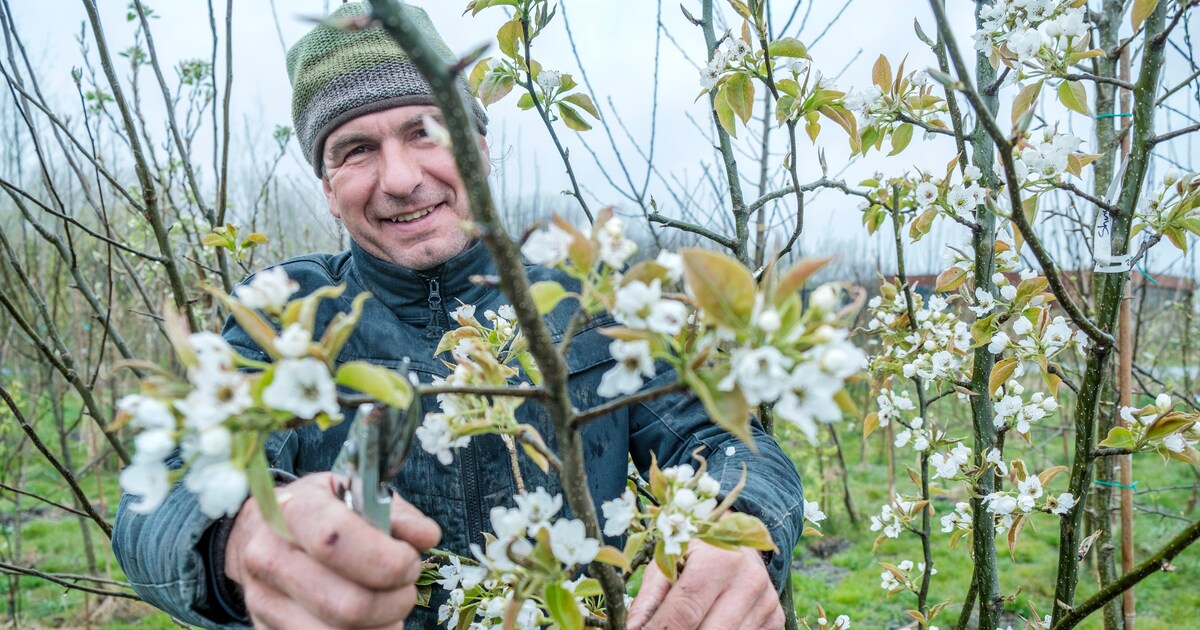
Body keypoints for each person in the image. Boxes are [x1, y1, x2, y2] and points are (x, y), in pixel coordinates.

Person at [112, 3, 804, 628]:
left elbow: (723, 440)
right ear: (327, 191)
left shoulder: (587, 300)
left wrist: (731, 530)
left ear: (481, 147)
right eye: (356, 151)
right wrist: (243, 536)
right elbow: (170, 485)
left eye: (427, 132)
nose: (401, 179)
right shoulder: (289, 309)